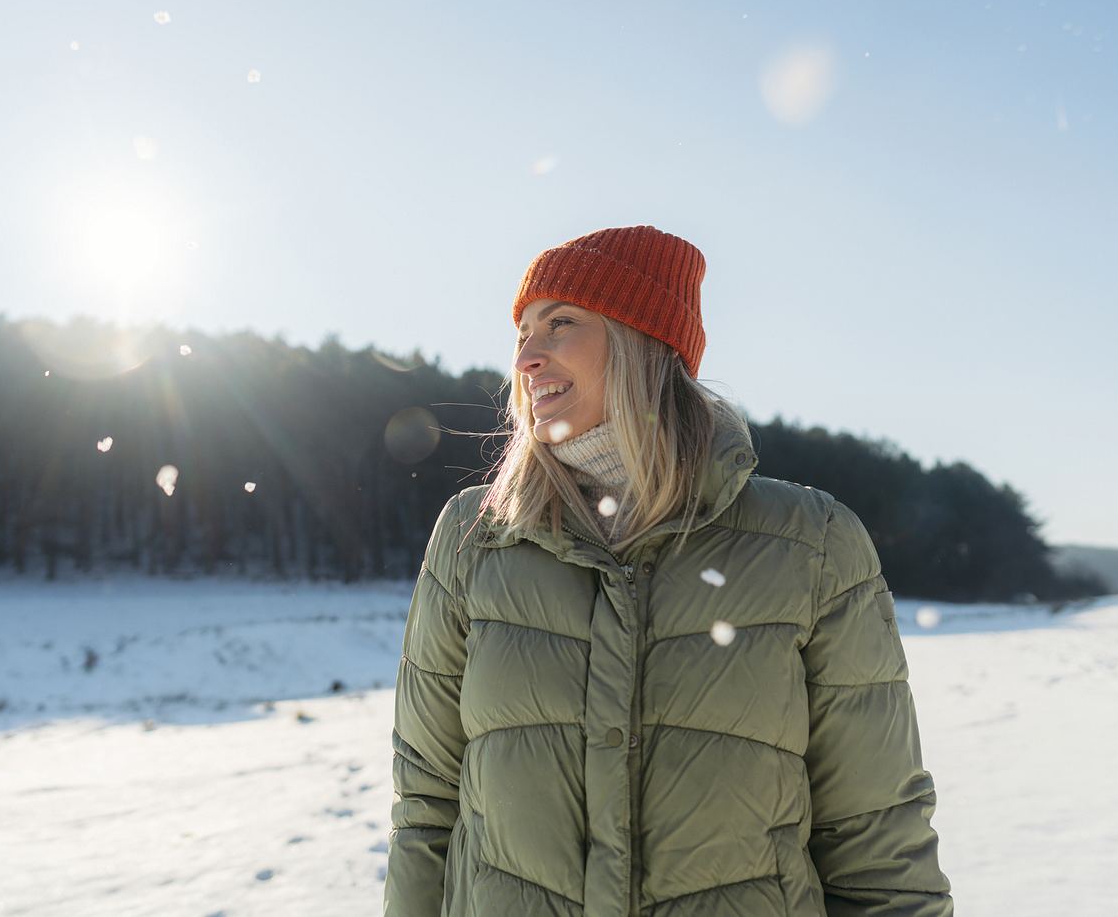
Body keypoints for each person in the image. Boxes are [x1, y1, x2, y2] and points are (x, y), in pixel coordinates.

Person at [385, 225, 951, 917]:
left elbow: (876, 830)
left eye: (561, 323)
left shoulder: (813, 543)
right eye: (523, 332)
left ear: (643, 343)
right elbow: (427, 805)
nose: (527, 356)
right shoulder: (474, 536)